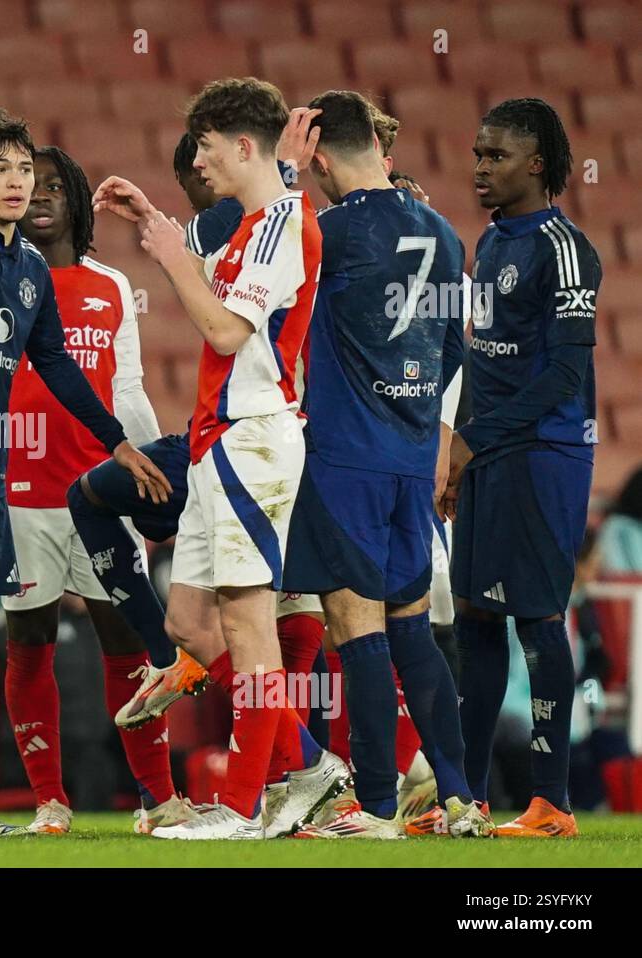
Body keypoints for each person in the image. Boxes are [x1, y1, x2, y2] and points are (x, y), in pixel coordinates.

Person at [0, 110, 172, 836]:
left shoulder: (47, 276)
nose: (28, 187)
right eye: (10, 170)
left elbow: (74, 369)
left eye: (38, 175)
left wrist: (122, 445)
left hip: (59, 489)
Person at [93, 78, 333, 840]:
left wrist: (166, 254)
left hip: (252, 439)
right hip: (213, 444)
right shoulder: (256, 222)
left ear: (242, 145)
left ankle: (241, 808)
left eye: (203, 146)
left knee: (250, 626)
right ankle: (310, 765)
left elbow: (228, 333)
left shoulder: (280, 224)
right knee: (192, 621)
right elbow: (218, 281)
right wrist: (159, 223)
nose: (197, 161)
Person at [269, 91, 487, 840]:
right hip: (407, 459)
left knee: (353, 631)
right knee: (413, 632)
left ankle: (379, 808)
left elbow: (257, 289)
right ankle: (461, 797)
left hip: (346, 458)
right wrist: (428, 426)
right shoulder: (441, 228)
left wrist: (283, 183)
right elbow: (455, 348)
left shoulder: (323, 231)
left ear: (319, 155)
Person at [1, 145, 197, 835]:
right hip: (18, 491)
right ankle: (50, 803)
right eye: (33, 185)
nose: (43, 195)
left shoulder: (111, 285)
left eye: (57, 185)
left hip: (97, 495)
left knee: (129, 643)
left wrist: (148, 473)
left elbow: (127, 387)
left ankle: (157, 800)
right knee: (30, 642)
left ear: (78, 202)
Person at [442, 97, 601, 838]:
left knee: (536, 620)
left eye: (494, 156)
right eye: (476, 155)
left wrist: (482, 439)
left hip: (544, 455)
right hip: (487, 454)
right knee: (475, 615)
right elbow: (482, 357)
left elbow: (563, 377)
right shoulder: (492, 243)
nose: (479, 168)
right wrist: (458, 449)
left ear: (536, 164)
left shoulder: (564, 250)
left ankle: (552, 803)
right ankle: (467, 800)